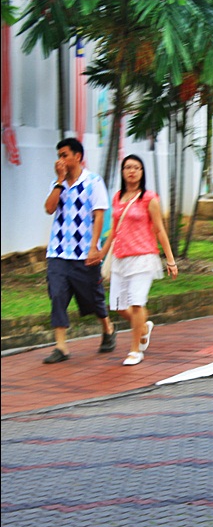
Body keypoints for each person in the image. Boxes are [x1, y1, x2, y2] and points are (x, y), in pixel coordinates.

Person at [42, 138, 116, 364]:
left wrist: (94, 247)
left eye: (64, 155)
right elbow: (49, 209)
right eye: (59, 156)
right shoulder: (57, 184)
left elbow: (99, 215)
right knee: (57, 295)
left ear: (78, 156)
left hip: (84, 253)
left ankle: (108, 327)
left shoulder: (93, 181)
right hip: (57, 252)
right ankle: (61, 347)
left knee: (93, 298)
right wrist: (59, 181)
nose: (61, 160)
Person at [99, 155, 178, 366]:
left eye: (136, 167)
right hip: (120, 257)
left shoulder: (149, 198)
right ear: (122, 171)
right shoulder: (117, 197)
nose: (132, 171)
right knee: (118, 305)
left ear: (142, 172)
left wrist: (170, 260)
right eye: (128, 167)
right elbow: (113, 231)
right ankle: (143, 327)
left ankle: (135, 350)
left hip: (143, 257)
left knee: (136, 303)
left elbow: (159, 230)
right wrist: (100, 254)